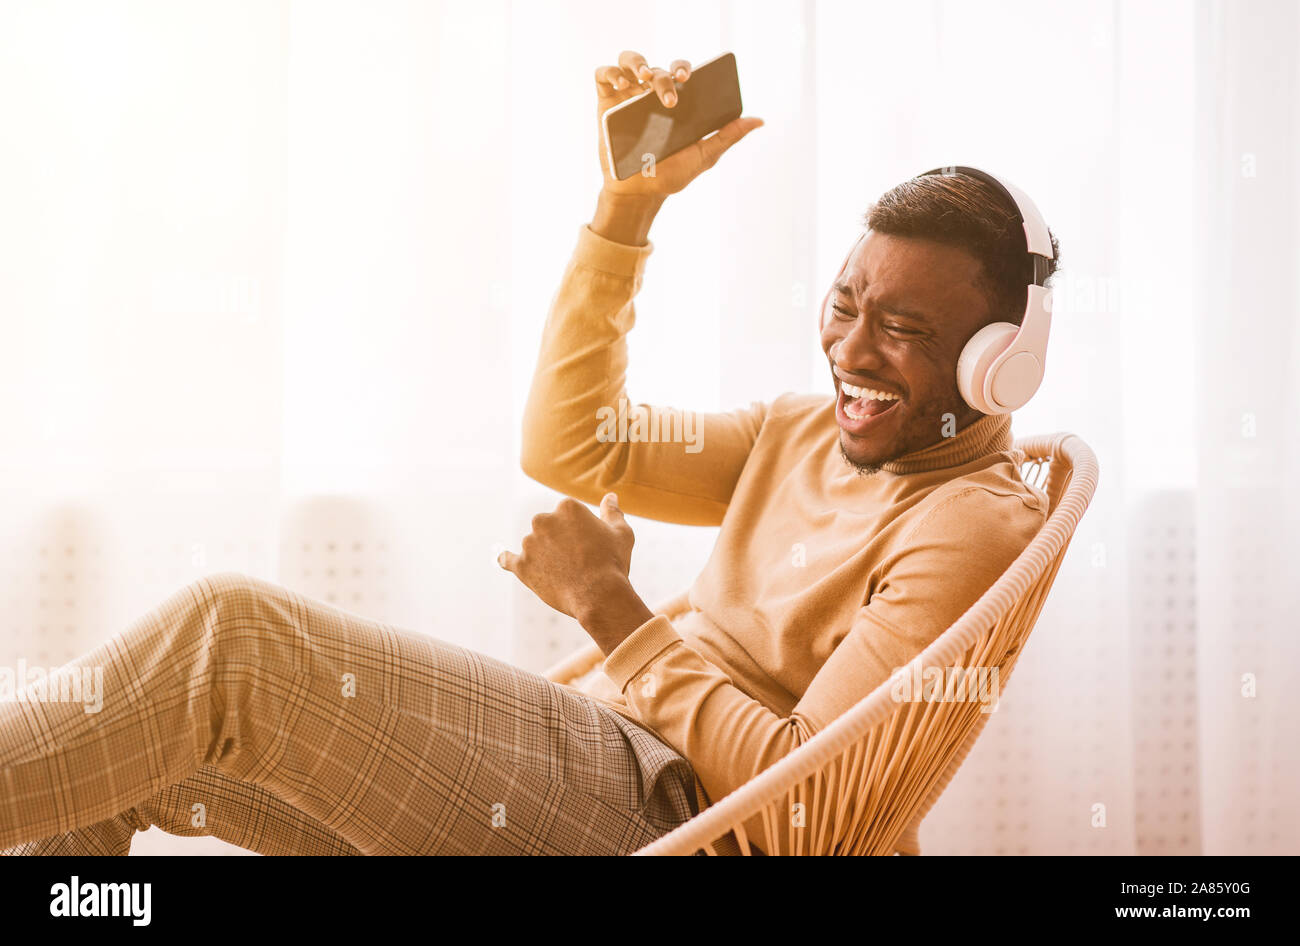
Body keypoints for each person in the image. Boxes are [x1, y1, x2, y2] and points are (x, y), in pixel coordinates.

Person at [1, 49, 1054, 856]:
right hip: (583, 759)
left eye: (904, 332)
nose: (851, 352)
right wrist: (626, 210)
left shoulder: (966, 521)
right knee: (128, 733)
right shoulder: (802, 431)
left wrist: (612, 609)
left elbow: (808, 802)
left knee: (228, 641)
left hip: (665, 816)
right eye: (841, 306)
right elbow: (575, 446)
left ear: (997, 364)